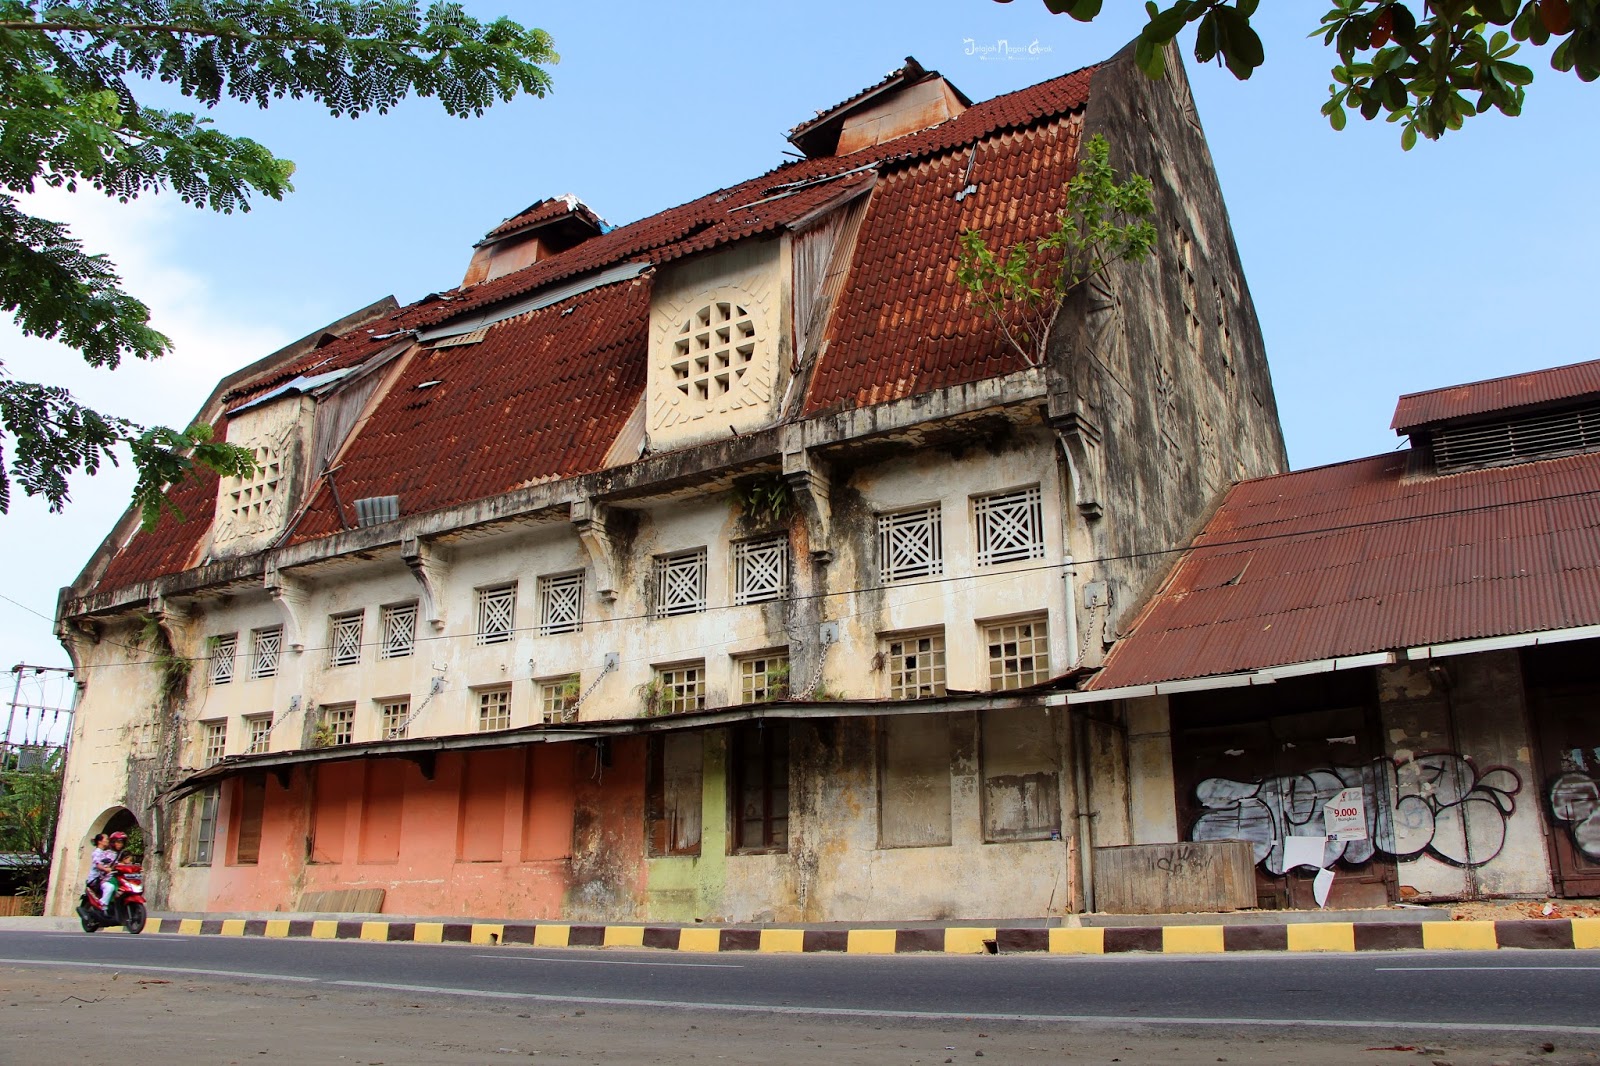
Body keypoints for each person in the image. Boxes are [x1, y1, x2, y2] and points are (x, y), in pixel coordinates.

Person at [98, 832, 128, 909]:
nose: (120, 844)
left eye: (121, 842)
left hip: (118, 877)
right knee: (111, 887)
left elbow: (125, 863)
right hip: (106, 878)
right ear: (113, 842)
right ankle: (103, 906)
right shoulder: (107, 853)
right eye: (118, 842)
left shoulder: (121, 854)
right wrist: (107, 867)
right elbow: (103, 864)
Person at [85, 833, 114, 909]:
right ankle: (102, 905)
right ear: (99, 841)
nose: (108, 841)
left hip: (102, 879)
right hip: (96, 880)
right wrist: (105, 869)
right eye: (106, 839)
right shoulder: (97, 852)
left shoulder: (104, 853)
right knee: (110, 887)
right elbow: (98, 864)